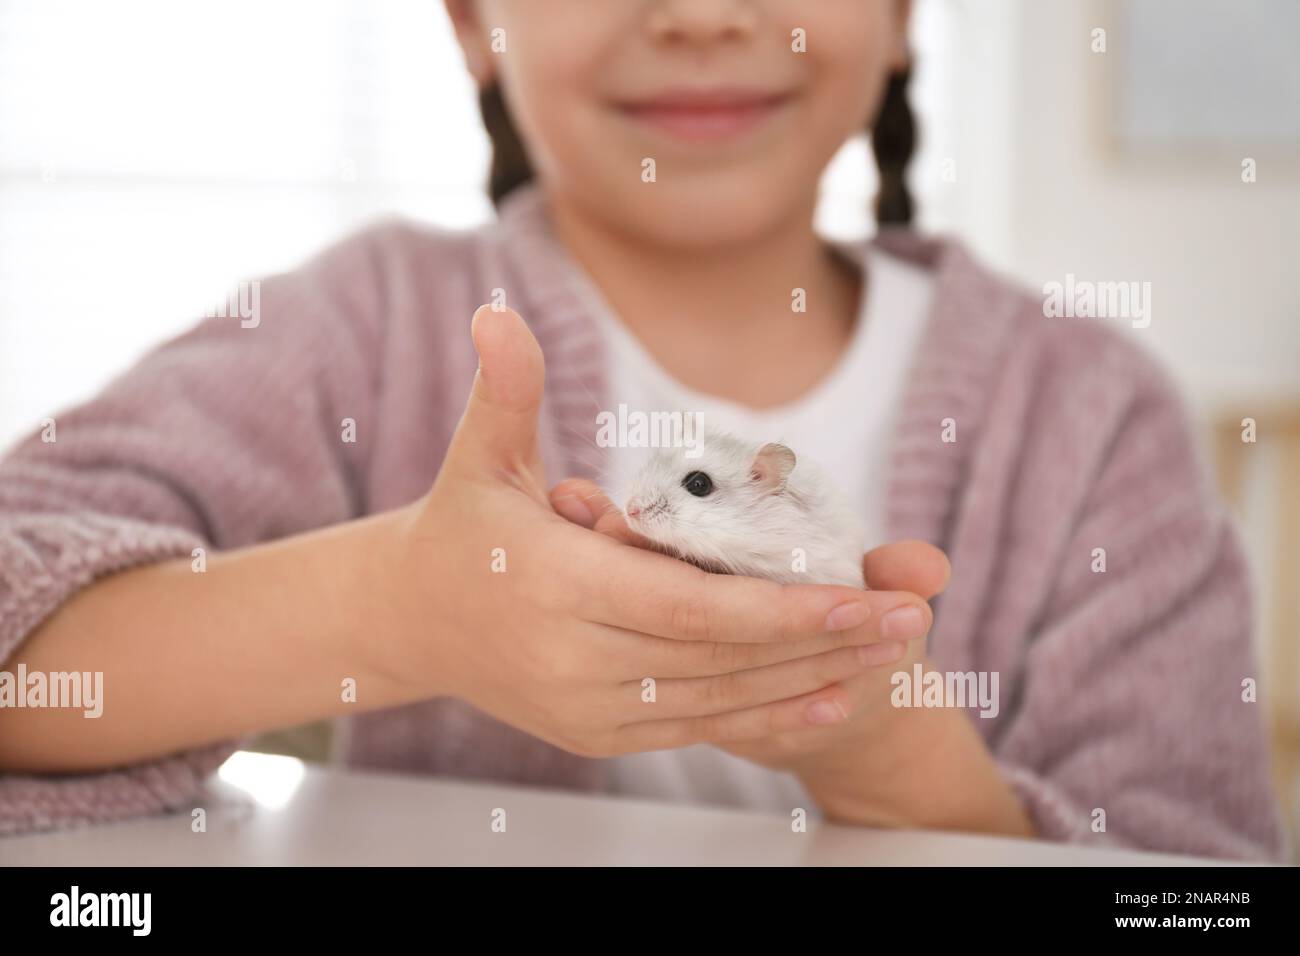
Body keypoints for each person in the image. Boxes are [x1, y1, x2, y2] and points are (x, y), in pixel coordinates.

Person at [0, 0, 1283, 859]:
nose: (700, 15)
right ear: (470, 24)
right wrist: (394, 608)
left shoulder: (1089, 411)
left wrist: (883, 747)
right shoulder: (366, 323)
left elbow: (1193, 881)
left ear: (900, 16)